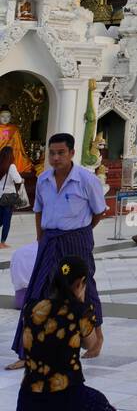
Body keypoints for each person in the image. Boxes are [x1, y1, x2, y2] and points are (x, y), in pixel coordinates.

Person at [8, 134, 107, 371]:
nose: (55, 157)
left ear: (72, 153)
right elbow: (39, 211)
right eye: (52, 153)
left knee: (85, 288)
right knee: (37, 289)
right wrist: (42, 239)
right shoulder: (43, 180)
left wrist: (80, 233)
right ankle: (26, 350)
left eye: (61, 152)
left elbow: (99, 212)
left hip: (76, 238)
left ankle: (96, 338)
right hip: (50, 239)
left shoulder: (86, 180)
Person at [14, 255, 116, 411]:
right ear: (81, 283)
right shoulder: (80, 311)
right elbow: (91, 345)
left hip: (27, 406)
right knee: (102, 407)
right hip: (66, 403)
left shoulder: (31, 307)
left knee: (39, 406)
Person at [0, 146, 24, 247]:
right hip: (8, 198)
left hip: (0, 196)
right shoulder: (11, 167)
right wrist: (22, 180)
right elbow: (18, 180)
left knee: (0, 219)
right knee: (6, 221)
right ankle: (2, 242)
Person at [10, 241, 38, 310]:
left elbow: (13, 278)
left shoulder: (18, 251)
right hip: (41, 301)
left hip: (20, 300)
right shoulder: (49, 251)